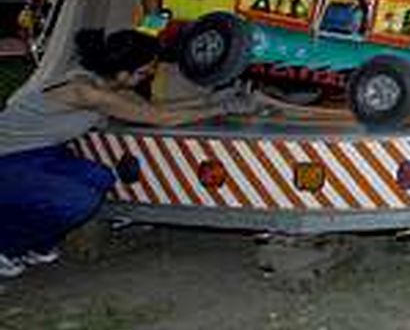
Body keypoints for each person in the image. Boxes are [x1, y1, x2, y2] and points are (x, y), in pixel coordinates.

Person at [0, 29, 250, 278]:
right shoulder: (86, 91)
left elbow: (153, 107)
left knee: (100, 177)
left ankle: (34, 244)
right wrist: (224, 108)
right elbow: (161, 118)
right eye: (144, 70)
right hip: (8, 160)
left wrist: (215, 99)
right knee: (78, 200)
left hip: (42, 155)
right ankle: (7, 247)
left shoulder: (107, 84)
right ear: (122, 72)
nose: (150, 74)